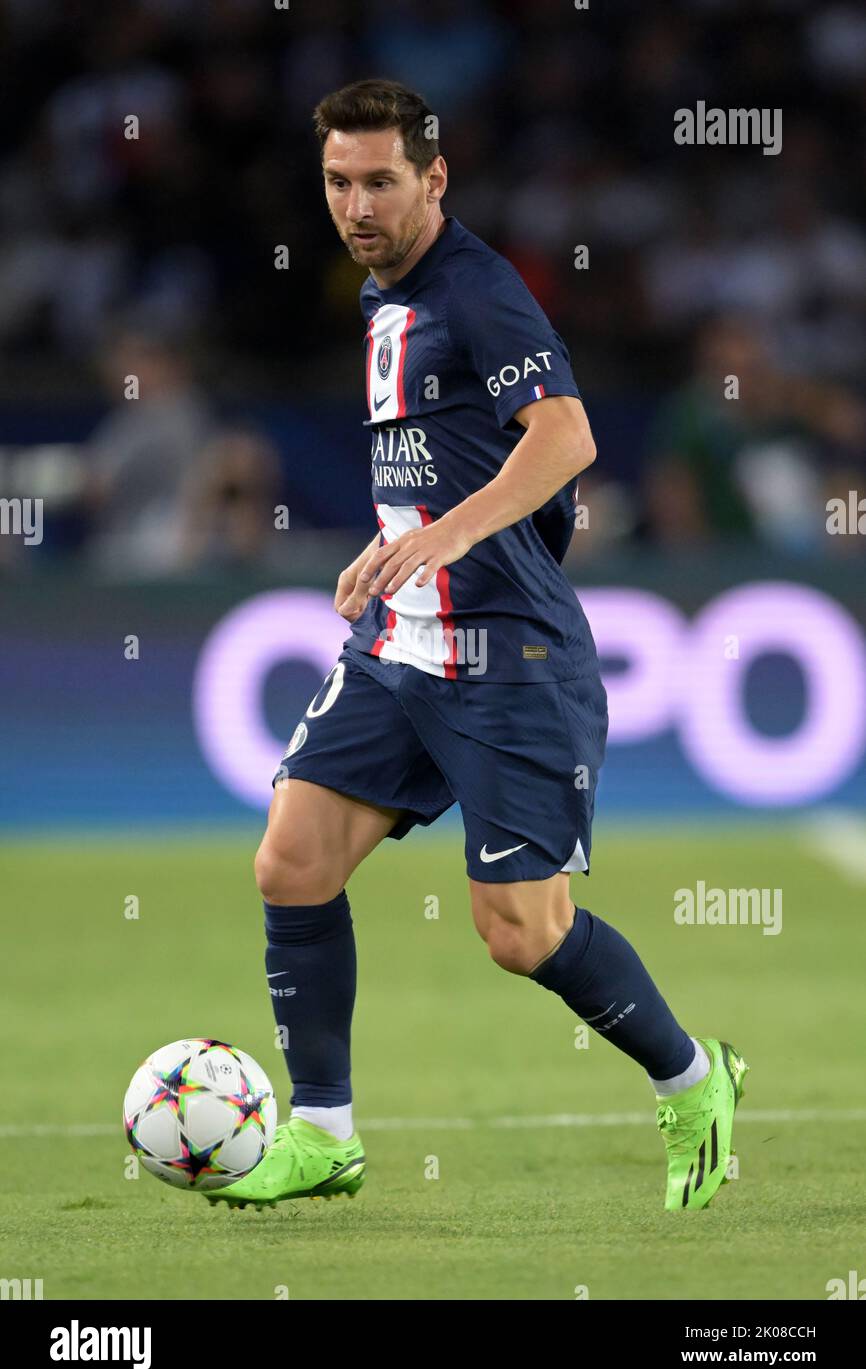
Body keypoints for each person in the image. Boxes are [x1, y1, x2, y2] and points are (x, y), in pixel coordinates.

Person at [205, 79, 748, 1215]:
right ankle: (322, 1133)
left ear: (433, 178)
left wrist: (443, 536)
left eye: (379, 182)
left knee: (517, 932)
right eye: (337, 183)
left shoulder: (479, 292)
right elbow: (446, 460)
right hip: (402, 646)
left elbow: (565, 438)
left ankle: (693, 1076)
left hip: (509, 654)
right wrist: (391, 542)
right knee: (290, 860)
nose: (355, 205)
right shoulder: (378, 295)